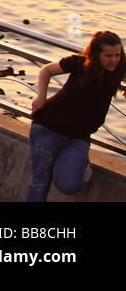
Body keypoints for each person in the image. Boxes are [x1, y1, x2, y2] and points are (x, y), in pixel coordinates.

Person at [26, 31, 125, 201]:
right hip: (48, 127)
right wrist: (41, 97)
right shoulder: (80, 63)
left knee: (70, 185)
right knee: (40, 181)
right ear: (96, 54)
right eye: (108, 55)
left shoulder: (119, 66)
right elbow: (46, 70)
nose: (114, 60)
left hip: (78, 136)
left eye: (117, 55)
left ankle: (81, 166)